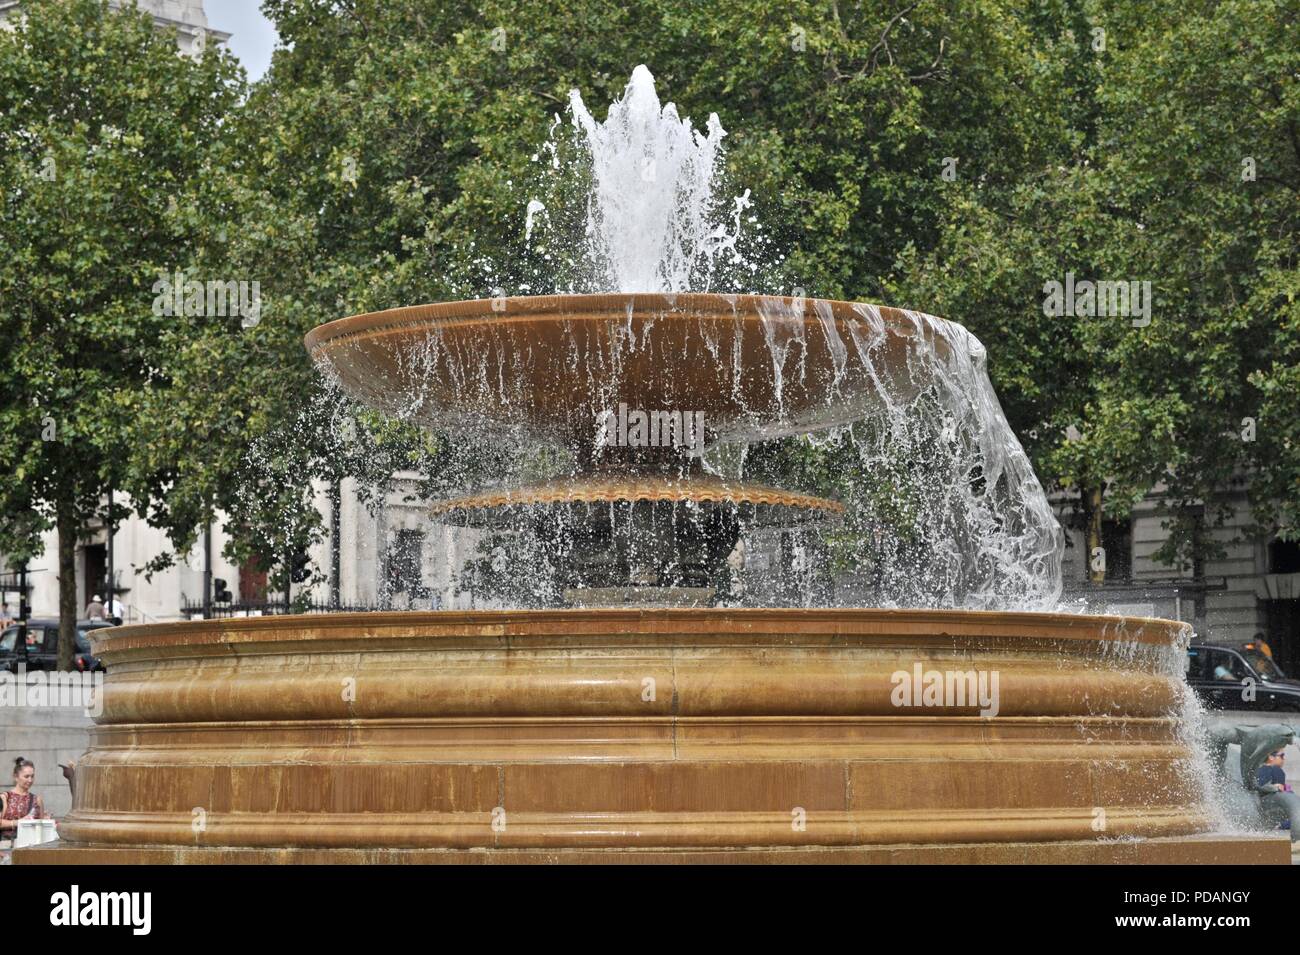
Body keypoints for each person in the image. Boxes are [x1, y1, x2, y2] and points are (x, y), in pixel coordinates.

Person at [0, 757, 47, 835]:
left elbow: (41, 829)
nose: (30, 780)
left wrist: (45, 821)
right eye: (26, 776)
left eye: (32, 776)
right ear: (16, 776)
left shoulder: (37, 800)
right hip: (8, 845)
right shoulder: (5, 797)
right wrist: (18, 822)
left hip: (31, 844)